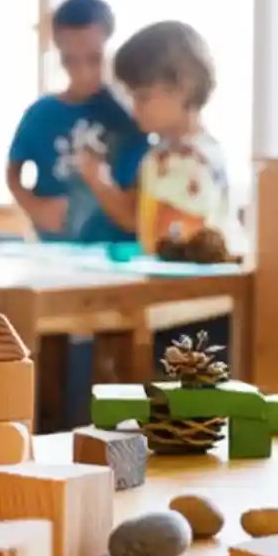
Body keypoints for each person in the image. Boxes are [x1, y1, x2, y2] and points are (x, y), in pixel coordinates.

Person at [99, 20, 240, 362]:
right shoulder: (160, 154)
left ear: (184, 87)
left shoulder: (193, 158)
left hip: (196, 311)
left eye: (143, 97)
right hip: (171, 303)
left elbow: (169, 237)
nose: (135, 109)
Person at [6, 0, 147, 242]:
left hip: (118, 256)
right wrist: (34, 207)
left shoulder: (135, 118)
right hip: (55, 256)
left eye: (94, 59)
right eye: (70, 60)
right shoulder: (41, 114)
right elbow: (12, 171)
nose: (82, 73)